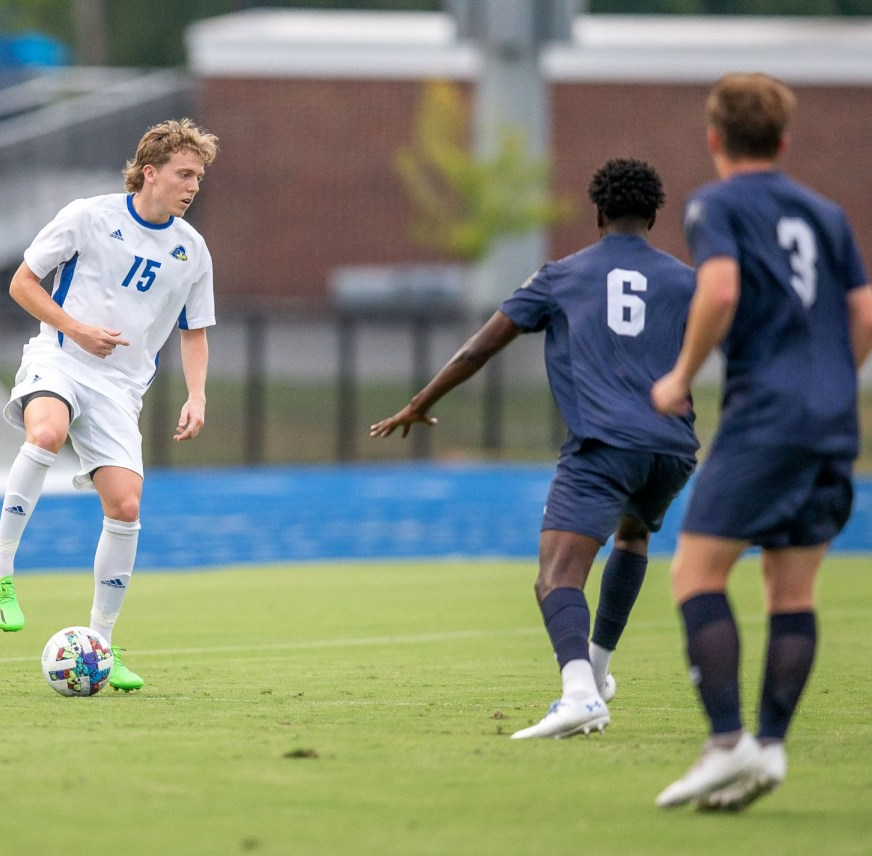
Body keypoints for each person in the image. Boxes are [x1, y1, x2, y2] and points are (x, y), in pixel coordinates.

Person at [371, 158, 699, 739]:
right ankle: (597, 673)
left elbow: (480, 349)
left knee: (555, 575)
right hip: (672, 449)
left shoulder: (563, 275)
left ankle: (578, 694)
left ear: (597, 213)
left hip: (604, 444)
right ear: (653, 215)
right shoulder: (685, 279)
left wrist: (420, 402)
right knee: (633, 533)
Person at [652, 73, 872, 810]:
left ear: (714, 138)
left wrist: (680, 374)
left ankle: (726, 743)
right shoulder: (826, 212)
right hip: (832, 418)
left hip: (766, 414)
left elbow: (718, 290)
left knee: (695, 573)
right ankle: (770, 748)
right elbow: (864, 312)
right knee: (792, 588)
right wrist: (834, 380)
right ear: (783, 139)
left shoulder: (716, 203)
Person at [0, 118, 220, 693]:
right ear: (150, 172)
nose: (193, 186)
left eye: (199, 177)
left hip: (120, 390)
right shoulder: (88, 216)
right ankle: (0, 572)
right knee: (45, 433)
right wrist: (75, 328)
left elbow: (194, 330)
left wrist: (196, 393)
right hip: (61, 357)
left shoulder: (192, 249)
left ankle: (102, 646)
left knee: (127, 506)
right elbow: (21, 284)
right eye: (184, 174)